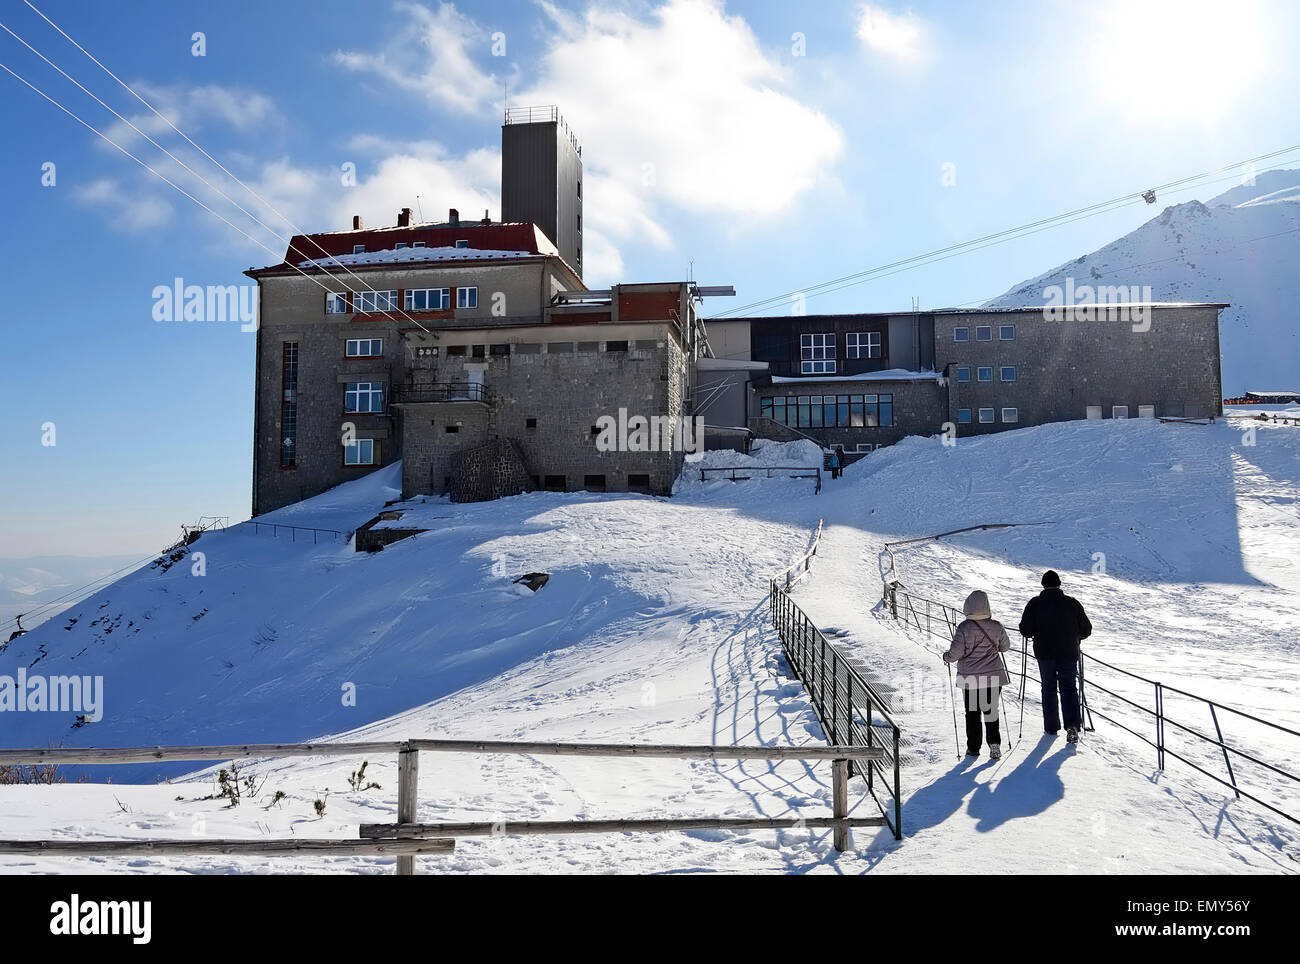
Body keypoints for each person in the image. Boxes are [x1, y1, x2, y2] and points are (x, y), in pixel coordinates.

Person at [1019, 570, 1092, 743]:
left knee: (1048, 687)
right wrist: (1076, 638)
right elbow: (1086, 629)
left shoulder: (1035, 604)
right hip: (1068, 652)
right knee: (1068, 687)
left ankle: (1051, 727)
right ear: (1059, 585)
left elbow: (1026, 630)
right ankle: (1072, 725)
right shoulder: (1072, 603)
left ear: (1043, 585)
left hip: (1044, 653)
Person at [943, 589, 1011, 759]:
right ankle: (994, 744)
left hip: (971, 677)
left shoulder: (964, 628)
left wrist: (946, 657)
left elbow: (955, 653)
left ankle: (973, 748)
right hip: (993, 676)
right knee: (990, 710)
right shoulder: (996, 626)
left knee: (973, 712)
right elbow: (1005, 647)